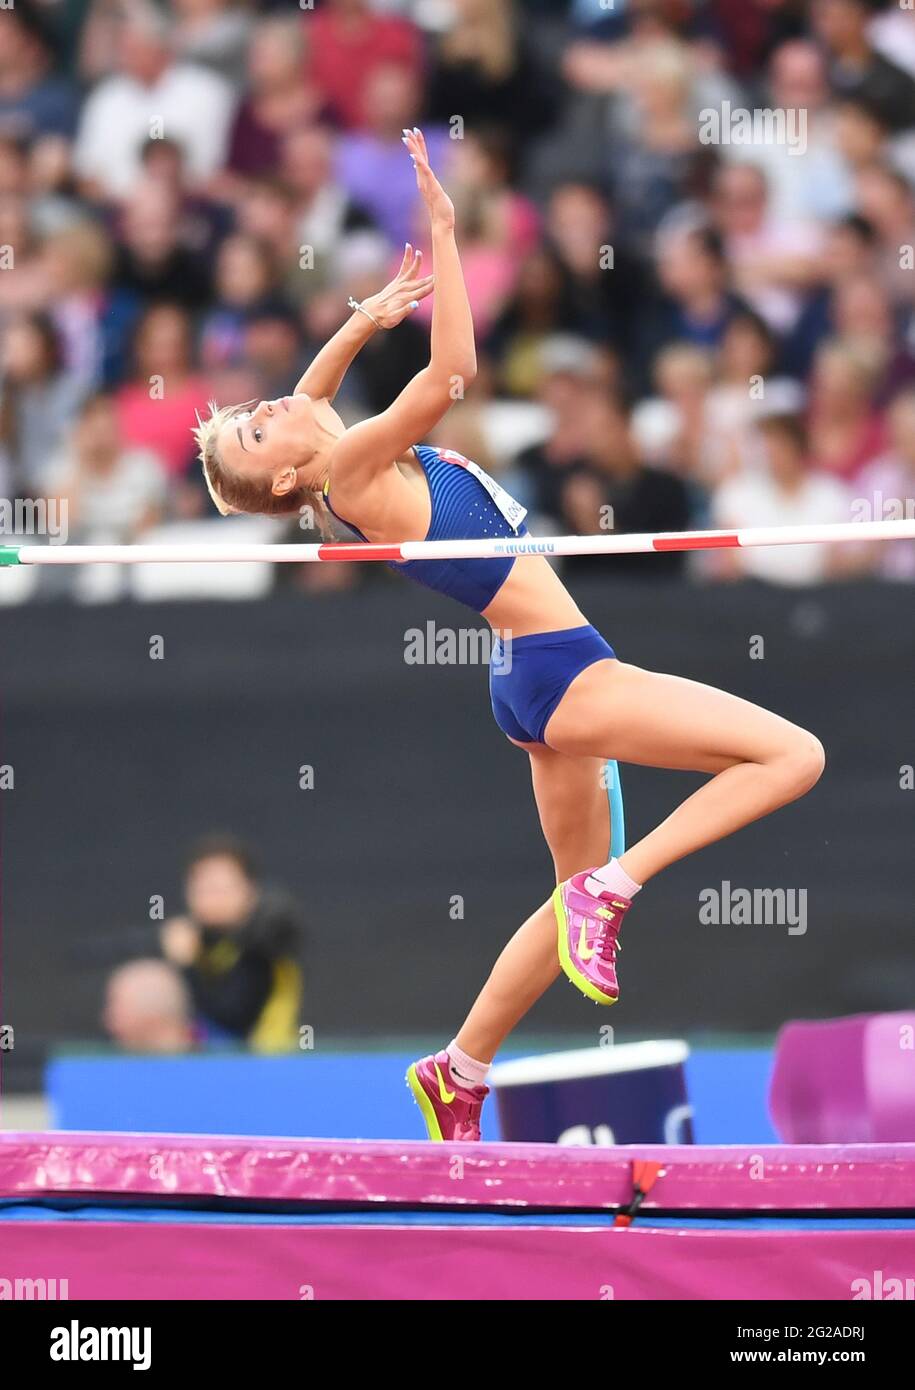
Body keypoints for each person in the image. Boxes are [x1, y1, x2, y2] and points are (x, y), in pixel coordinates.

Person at [192, 130, 825, 1140]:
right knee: (794, 754)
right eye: (255, 431)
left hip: (526, 679)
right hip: (562, 671)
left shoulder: (324, 441)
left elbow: (309, 390)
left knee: (564, 896)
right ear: (281, 480)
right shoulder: (350, 468)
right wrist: (444, 235)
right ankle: (619, 889)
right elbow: (454, 370)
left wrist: (357, 322)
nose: (270, 408)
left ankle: (461, 1065)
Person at [160, 835, 304, 1051]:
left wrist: (187, 965)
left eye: (222, 887)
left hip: (268, 1068)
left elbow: (231, 1018)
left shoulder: (265, 937)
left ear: (250, 890)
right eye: (203, 888)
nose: (213, 898)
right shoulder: (199, 940)